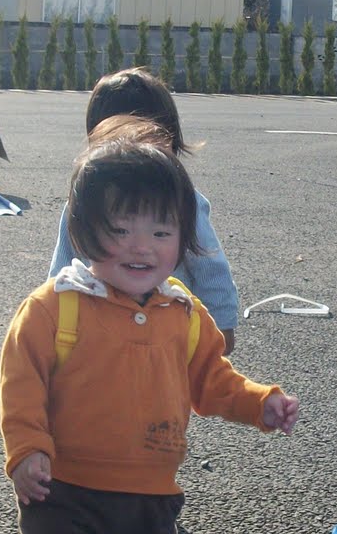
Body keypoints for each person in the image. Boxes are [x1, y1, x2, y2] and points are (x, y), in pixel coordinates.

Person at [0, 130, 300, 534]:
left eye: (162, 232)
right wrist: (28, 450)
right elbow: (21, 379)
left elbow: (214, 381)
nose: (143, 247)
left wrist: (260, 404)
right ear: (82, 233)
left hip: (148, 492)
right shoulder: (56, 306)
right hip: (62, 488)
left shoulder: (184, 313)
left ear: (183, 240)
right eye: (121, 229)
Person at [47, 67, 241, 352]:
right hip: (101, 335)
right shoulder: (82, 201)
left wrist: (221, 325)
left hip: (169, 333)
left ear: (170, 143)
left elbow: (210, 268)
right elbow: (62, 273)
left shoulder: (181, 200)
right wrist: (52, 324)